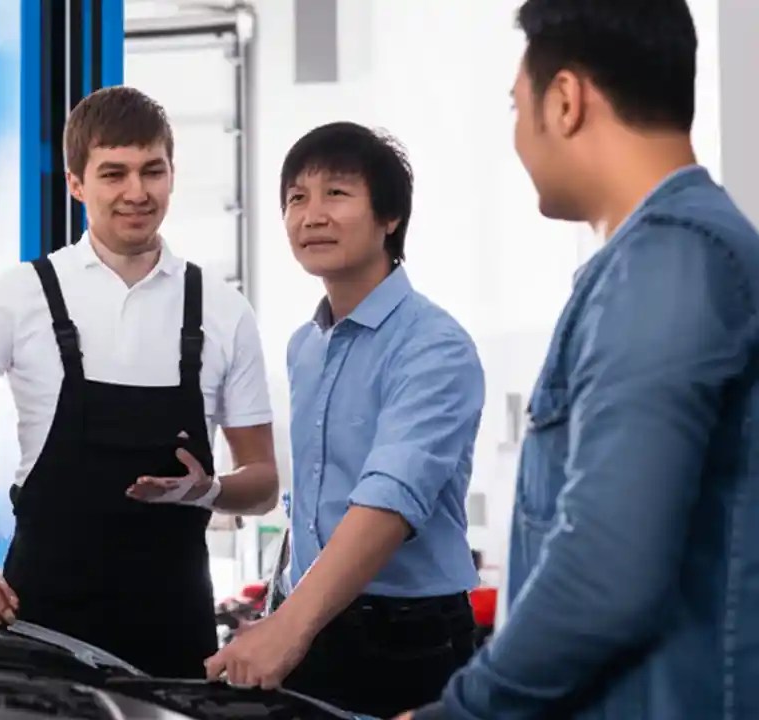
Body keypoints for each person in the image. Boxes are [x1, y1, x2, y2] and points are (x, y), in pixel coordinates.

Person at [402, 1, 759, 718]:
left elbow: (604, 574)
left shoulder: (668, 265)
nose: (515, 133)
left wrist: (458, 714)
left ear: (565, 100)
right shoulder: (670, 259)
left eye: (515, 105)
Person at [0, 85, 279, 679]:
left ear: (172, 174)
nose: (136, 192)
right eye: (113, 173)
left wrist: (206, 491)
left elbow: (263, 483)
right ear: (77, 184)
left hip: (174, 628)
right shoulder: (23, 296)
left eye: (153, 170)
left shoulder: (222, 311)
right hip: (42, 621)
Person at [205, 121, 486, 718]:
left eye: (337, 193)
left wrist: (289, 626)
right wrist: (278, 610)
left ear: (390, 218)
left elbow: (388, 503)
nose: (312, 215)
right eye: (296, 199)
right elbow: (312, 502)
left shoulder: (434, 346)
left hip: (408, 640)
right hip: (314, 620)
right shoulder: (305, 347)